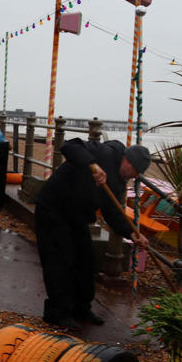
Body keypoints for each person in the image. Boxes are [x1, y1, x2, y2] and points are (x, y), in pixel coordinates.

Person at [34, 138, 151, 331]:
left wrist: (131, 233)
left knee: (86, 262)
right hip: (53, 209)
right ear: (128, 161)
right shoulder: (105, 153)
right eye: (136, 172)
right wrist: (93, 165)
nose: (134, 177)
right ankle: (57, 313)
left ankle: (81, 308)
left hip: (77, 217)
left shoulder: (119, 183)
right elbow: (69, 146)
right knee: (60, 261)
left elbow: (113, 212)